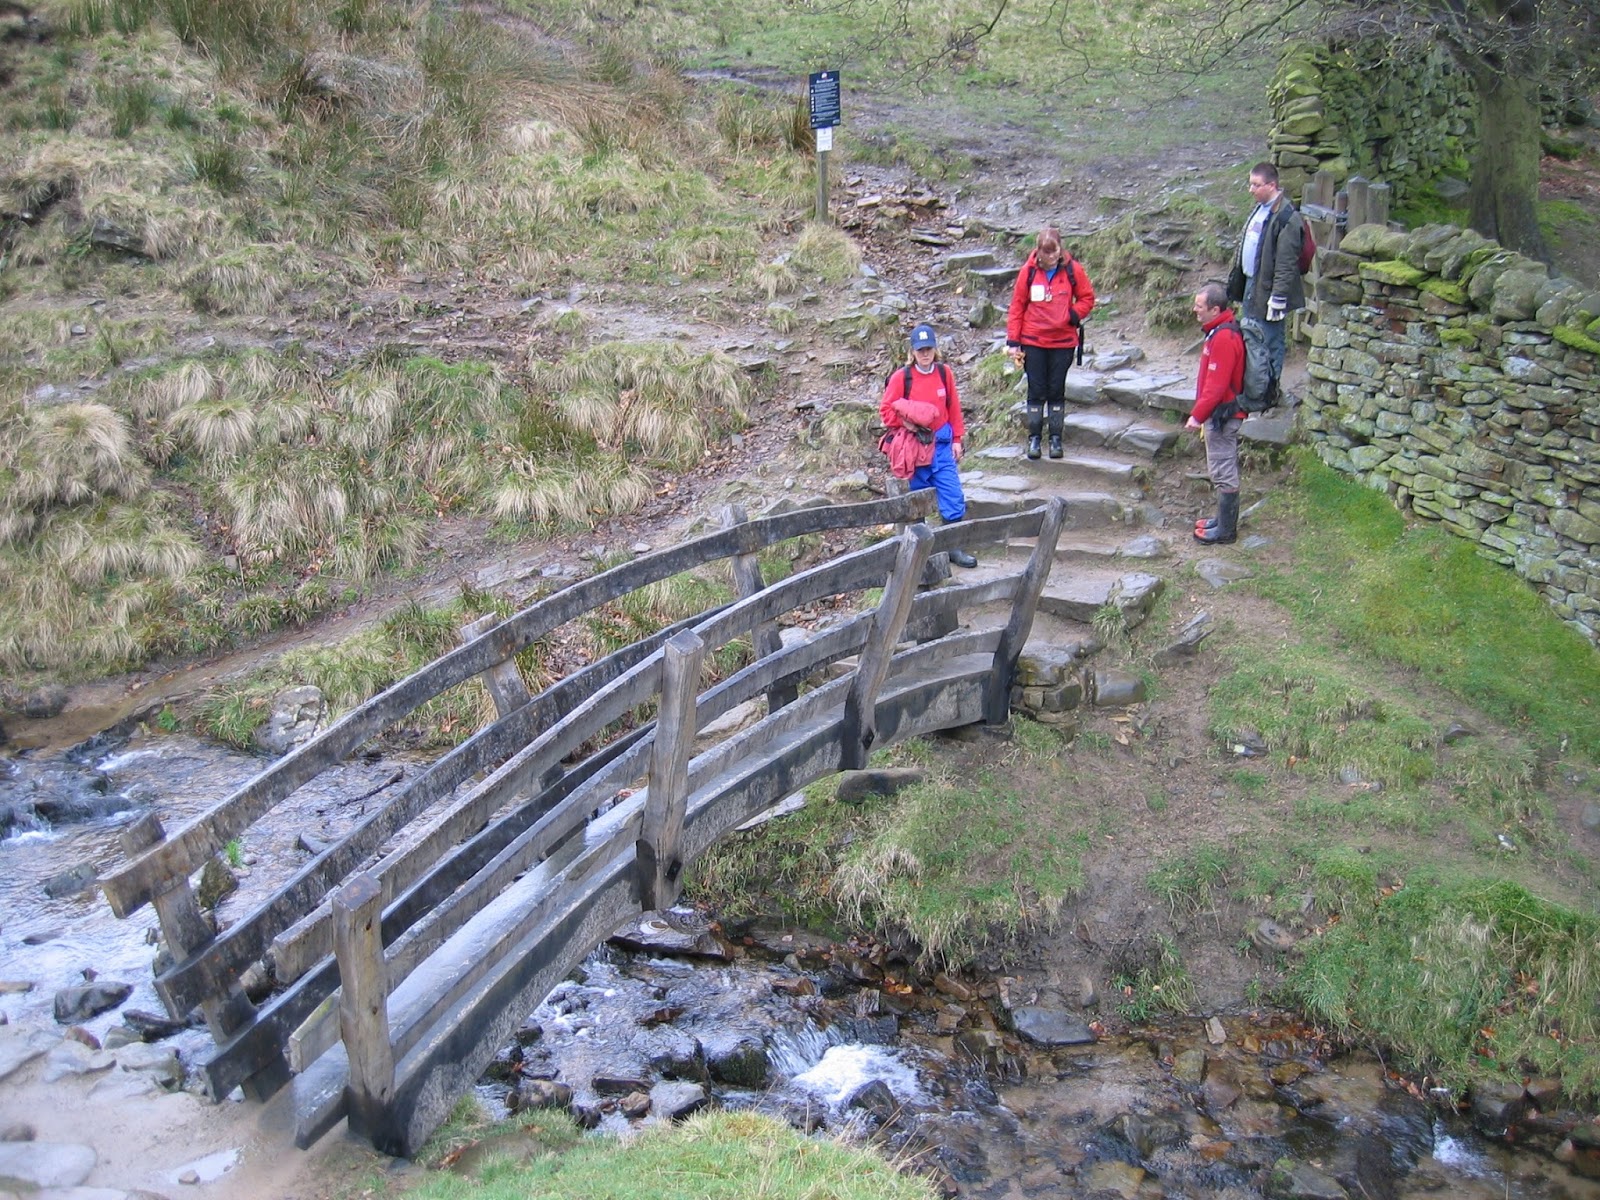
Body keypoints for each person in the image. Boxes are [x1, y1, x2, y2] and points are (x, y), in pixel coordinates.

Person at [880, 323, 978, 568]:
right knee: (917, 499)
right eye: (920, 349)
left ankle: (954, 547)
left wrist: (957, 439)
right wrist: (907, 423)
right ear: (912, 352)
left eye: (929, 349)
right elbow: (886, 410)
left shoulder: (944, 373)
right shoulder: (902, 377)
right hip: (915, 449)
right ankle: (920, 554)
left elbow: (953, 408)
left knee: (953, 495)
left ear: (935, 349)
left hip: (942, 446)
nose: (925, 354)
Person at [1005, 227, 1095, 460]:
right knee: (1036, 389)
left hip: (1063, 341)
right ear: (1039, 252)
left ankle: (1056, 438)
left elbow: (1087, 297)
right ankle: (1034, 437)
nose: (1053, 258)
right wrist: (1013, 341)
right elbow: (1017, 306)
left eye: (1056, 253)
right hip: (1033, 340)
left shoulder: (1073, 269)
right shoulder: (1029, 272)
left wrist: (1073, 315)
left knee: (1056, 389)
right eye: (1048, 255)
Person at [1227, 161, 1304, 393]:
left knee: (1270, 339)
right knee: (1250, 334)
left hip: (1269, 290)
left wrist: (1278, 297)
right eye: (1250, 184)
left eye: (1256, 185)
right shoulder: (1261, 209)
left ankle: (1270, 391)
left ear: (1271, 185)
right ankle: (1254, 388)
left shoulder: (1287, 217)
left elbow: (1286, 263)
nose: (1251, 189)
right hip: (1252, 283)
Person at [1186, 283, 1246, 546]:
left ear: (1215, 309)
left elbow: (1217, 386)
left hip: (1223, 414)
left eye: (1199, 306)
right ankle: (1221, 521)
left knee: (1223, 469)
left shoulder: (1223, 337)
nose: (1195, 310)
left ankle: (1226, 531)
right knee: (1220, 467)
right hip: (1220, 412)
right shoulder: (1220, 331)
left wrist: (1198, 415)